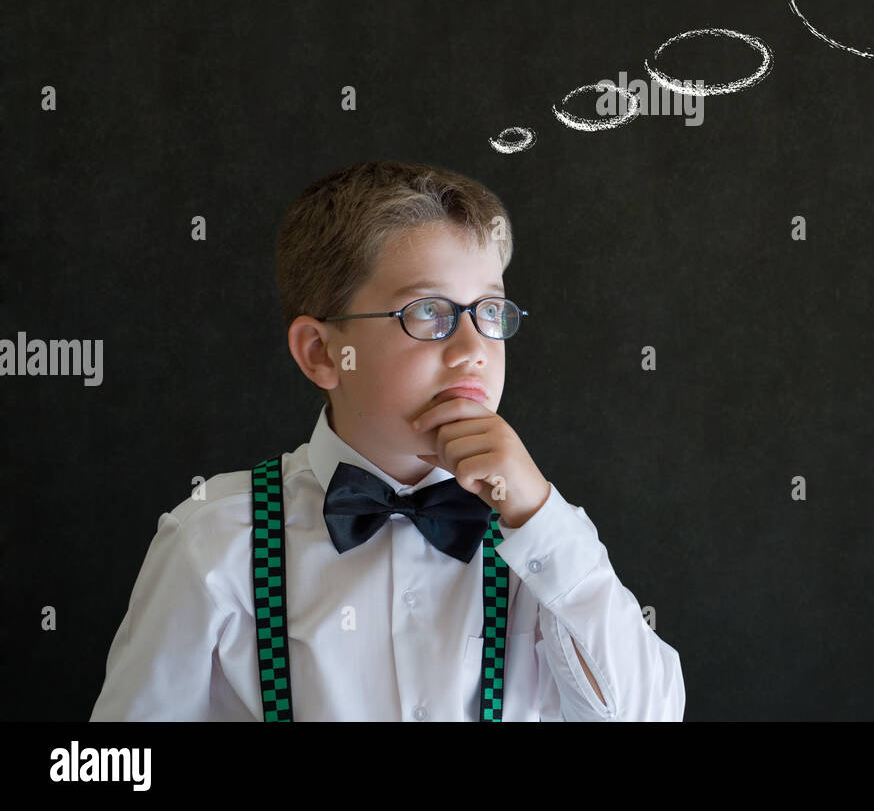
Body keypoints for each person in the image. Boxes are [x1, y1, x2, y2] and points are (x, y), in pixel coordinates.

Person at [90, 159, 685, 721]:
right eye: (428, 312)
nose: (473, 349)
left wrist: (539, 517)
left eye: (490, 312)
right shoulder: (214, 539)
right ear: (322, 353)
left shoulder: (543, 542)